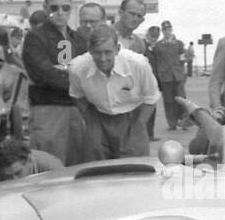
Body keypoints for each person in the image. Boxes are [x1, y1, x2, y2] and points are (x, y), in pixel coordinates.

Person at [68, 23, 159, 159]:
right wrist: (90, 120)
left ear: (117, 49)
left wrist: (139, 125)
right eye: (97, 53)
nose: (103, 59)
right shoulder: (77, 68)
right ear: (89, 50)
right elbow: (77, 95)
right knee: (97, 169)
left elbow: (151, 98)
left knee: (136, 170)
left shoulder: (138, 64)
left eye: (107, 52)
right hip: (98, 116)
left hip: (133, 116)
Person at [22, 0, 86, 165]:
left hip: (77, 109)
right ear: (45, 8)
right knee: (49, 167)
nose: (60, 12)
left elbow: (89, 72)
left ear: (70, 8)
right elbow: (44, 74)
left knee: (78, 166)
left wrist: (64, 71)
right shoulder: (35, 37)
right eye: (54, 8)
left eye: (65, 8)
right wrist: (75, 77)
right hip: (48, 109)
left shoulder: (78, 39)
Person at [152, 20, 189, 131]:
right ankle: (172, 123)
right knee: (168, 101)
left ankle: (184, 121)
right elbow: (157, 61)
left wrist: (183, 73)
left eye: (169, 29)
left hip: (177, 75)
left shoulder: (178, 44)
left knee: (182, 99)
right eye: (165, 30)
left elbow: (182, 59)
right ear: (162, 31)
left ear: (171, 30)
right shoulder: (158, 45)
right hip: (165, 76)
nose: (167, 32)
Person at [0, 136, 65, 184]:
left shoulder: (53, 169)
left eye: (18, 173)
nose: (15, 181)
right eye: (8, 176)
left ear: (29, 160)